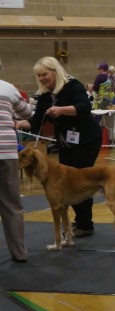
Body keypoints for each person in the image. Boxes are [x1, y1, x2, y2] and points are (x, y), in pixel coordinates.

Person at [16, 57, 102, 238]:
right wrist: (19, 123)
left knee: (79, 179)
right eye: (38, 76)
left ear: (54, 71)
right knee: (65, 182)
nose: (42, 78)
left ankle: (85, 224)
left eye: (44, 74)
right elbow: (36, 120)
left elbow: (84, 107)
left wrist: (62, 110)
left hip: (86, 140)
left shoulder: (72, 85)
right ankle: (78, 221)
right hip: (66, 142)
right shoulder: (46, 96)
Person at [0, 57, 33, 262]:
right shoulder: (8, 88)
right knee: (11, 205)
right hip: (7, 154)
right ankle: (19, 253)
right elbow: (28, 112)